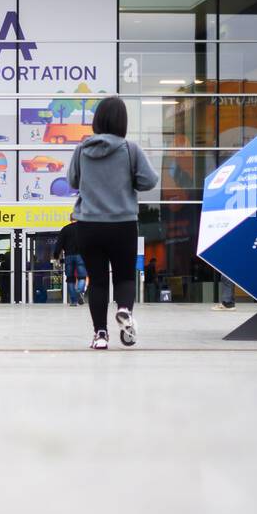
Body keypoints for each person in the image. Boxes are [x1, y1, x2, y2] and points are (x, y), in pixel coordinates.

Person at [67, 95, 158, 349]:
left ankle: (100, 335)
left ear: (97, 120)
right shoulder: (130, 149)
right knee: (124, 277)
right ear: (123, 122)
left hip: (89, 225)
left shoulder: (82, 149)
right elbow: (149, 181)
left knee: (97, 281)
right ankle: (125, 311)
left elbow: (73, 181)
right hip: (122, 224)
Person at [53, 220, 87, 306]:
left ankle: (73, 301)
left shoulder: (65, 229)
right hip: (81, 256)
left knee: (70, 278)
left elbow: (59, 244)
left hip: (68, 256)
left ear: (70, 219)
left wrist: (56, 256)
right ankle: (79, 291)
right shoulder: (83, 228)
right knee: (82, 277)